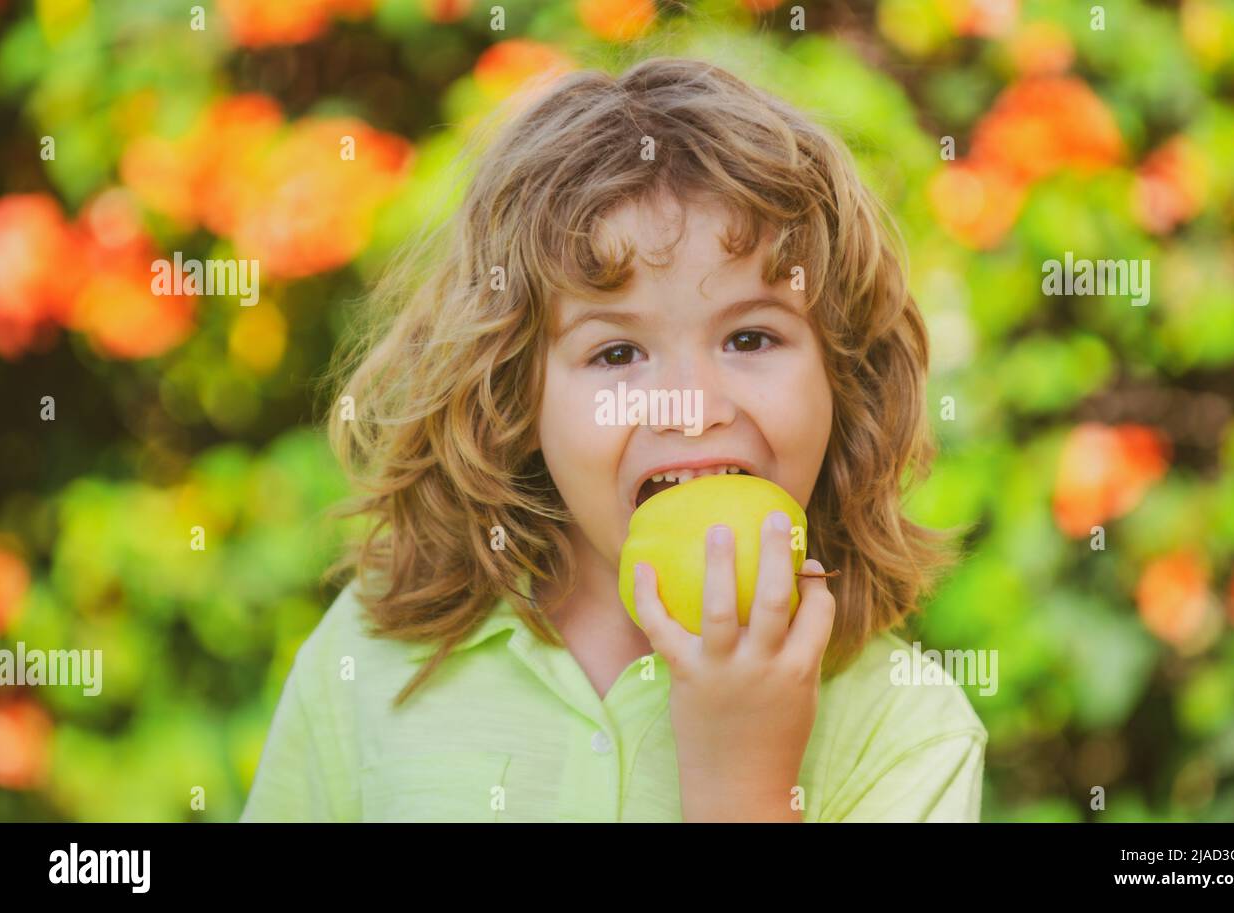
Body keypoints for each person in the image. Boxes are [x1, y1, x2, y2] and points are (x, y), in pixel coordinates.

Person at [241, 56, 986, 823]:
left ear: (844, 375)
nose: (690, 408)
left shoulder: (904, 732)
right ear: (514, 395)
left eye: (752, 336)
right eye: (618, 353)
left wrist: (744, 789)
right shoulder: (370, 659)